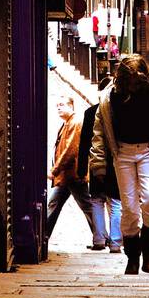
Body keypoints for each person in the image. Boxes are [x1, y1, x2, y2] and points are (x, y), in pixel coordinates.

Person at [89, 54, 149, 274]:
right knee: (129, 207)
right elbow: (99, 131)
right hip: (122, 152)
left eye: (137, 81)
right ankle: (132, 256)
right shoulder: (110, 96)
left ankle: (148, 250)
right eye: (129, 81)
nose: (133, 86)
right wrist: (98, 161)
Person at [77, 75, 122, 252]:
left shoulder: (90, 112)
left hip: (96, 161)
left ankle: (99, 239)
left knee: (97, 200)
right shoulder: (118, 111)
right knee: (115, 202)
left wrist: (81, 169)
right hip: (115, 162)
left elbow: (84, 144)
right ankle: (116, 242)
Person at [47, 95, 96, 241]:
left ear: (71, 106)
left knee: (86, 206)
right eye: (57, 106)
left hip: (73, 174)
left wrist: (55, 170)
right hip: (67, 175)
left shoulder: (75, 123)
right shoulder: (68, 123)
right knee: (54, 204)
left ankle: (102, 236)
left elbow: (70, 150)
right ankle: (44, 235)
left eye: (61, 105)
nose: (58, 108)